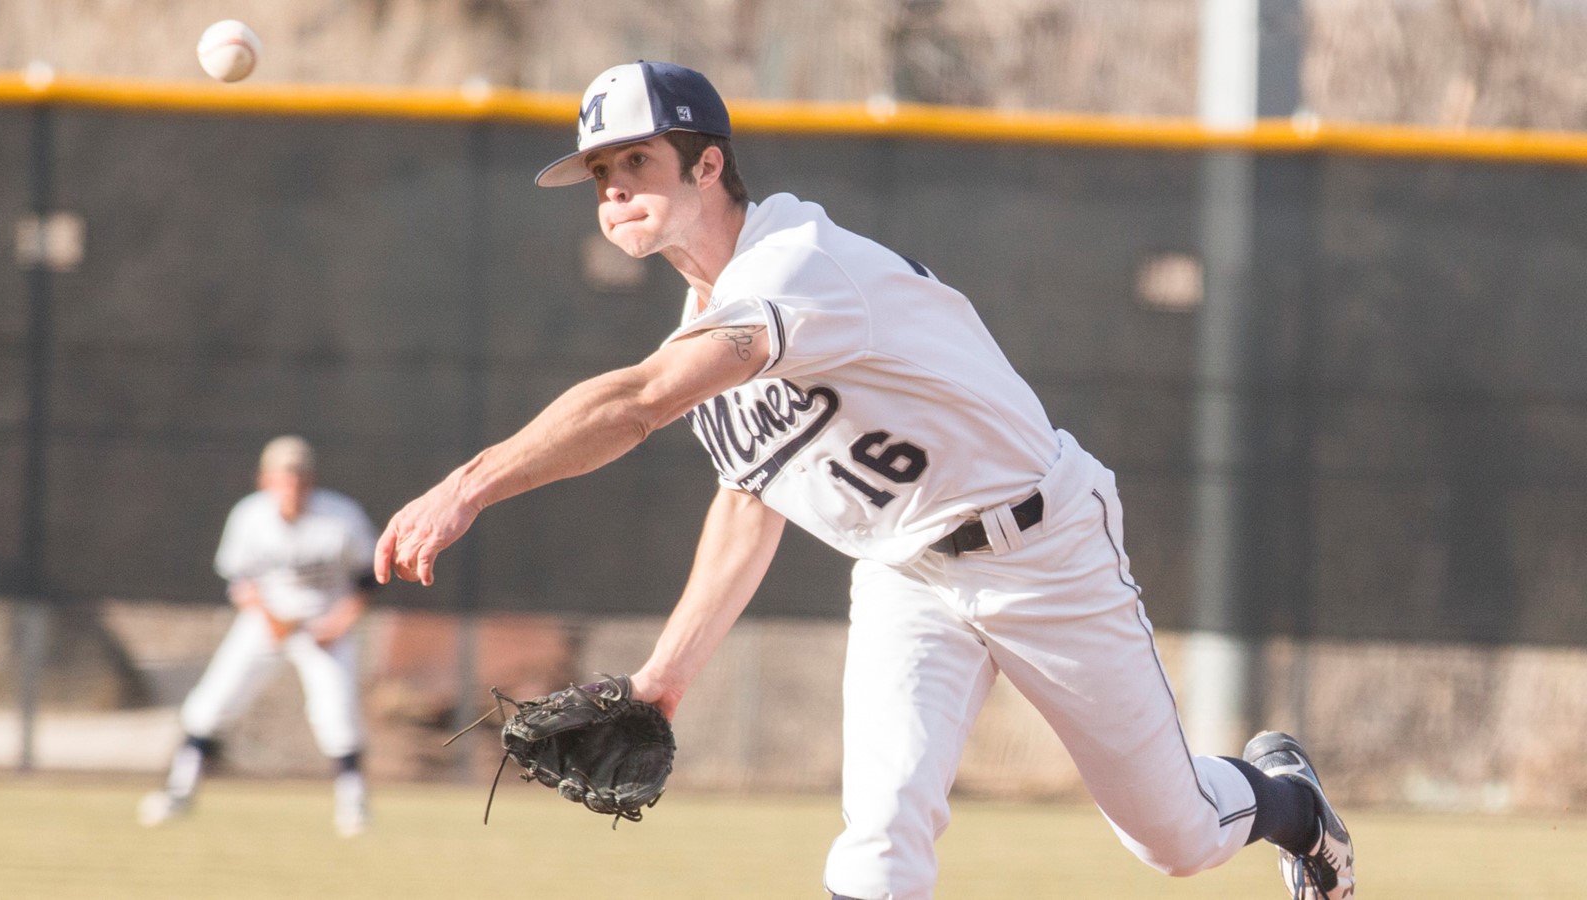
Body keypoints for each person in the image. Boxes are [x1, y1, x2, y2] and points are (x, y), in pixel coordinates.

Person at [374, 61, 1354, 899]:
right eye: (598, 174)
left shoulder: (797, 268)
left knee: (1173, 838)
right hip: (901, 576)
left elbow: (636, 403)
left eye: (636, 162)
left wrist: (468, 484)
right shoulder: (704, 336)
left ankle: (1285, 797)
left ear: (708, 162)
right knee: (881, 836)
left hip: (1039, 550)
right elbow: (748, 502)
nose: (613, 190)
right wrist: (665, 677)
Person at [139, 435, 378, 838]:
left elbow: (368, 578)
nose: (293, 485)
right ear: (265, 480)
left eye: (300, 476)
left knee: (336, 715)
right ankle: (180, 790)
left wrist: (339, 623)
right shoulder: (250, 517)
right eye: (285, 476)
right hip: (264, 624)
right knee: (212, 703)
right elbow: (240, 580)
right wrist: (270, 618)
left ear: (311, 479)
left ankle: (353, 804)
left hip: (323, 625)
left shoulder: (340, 516)